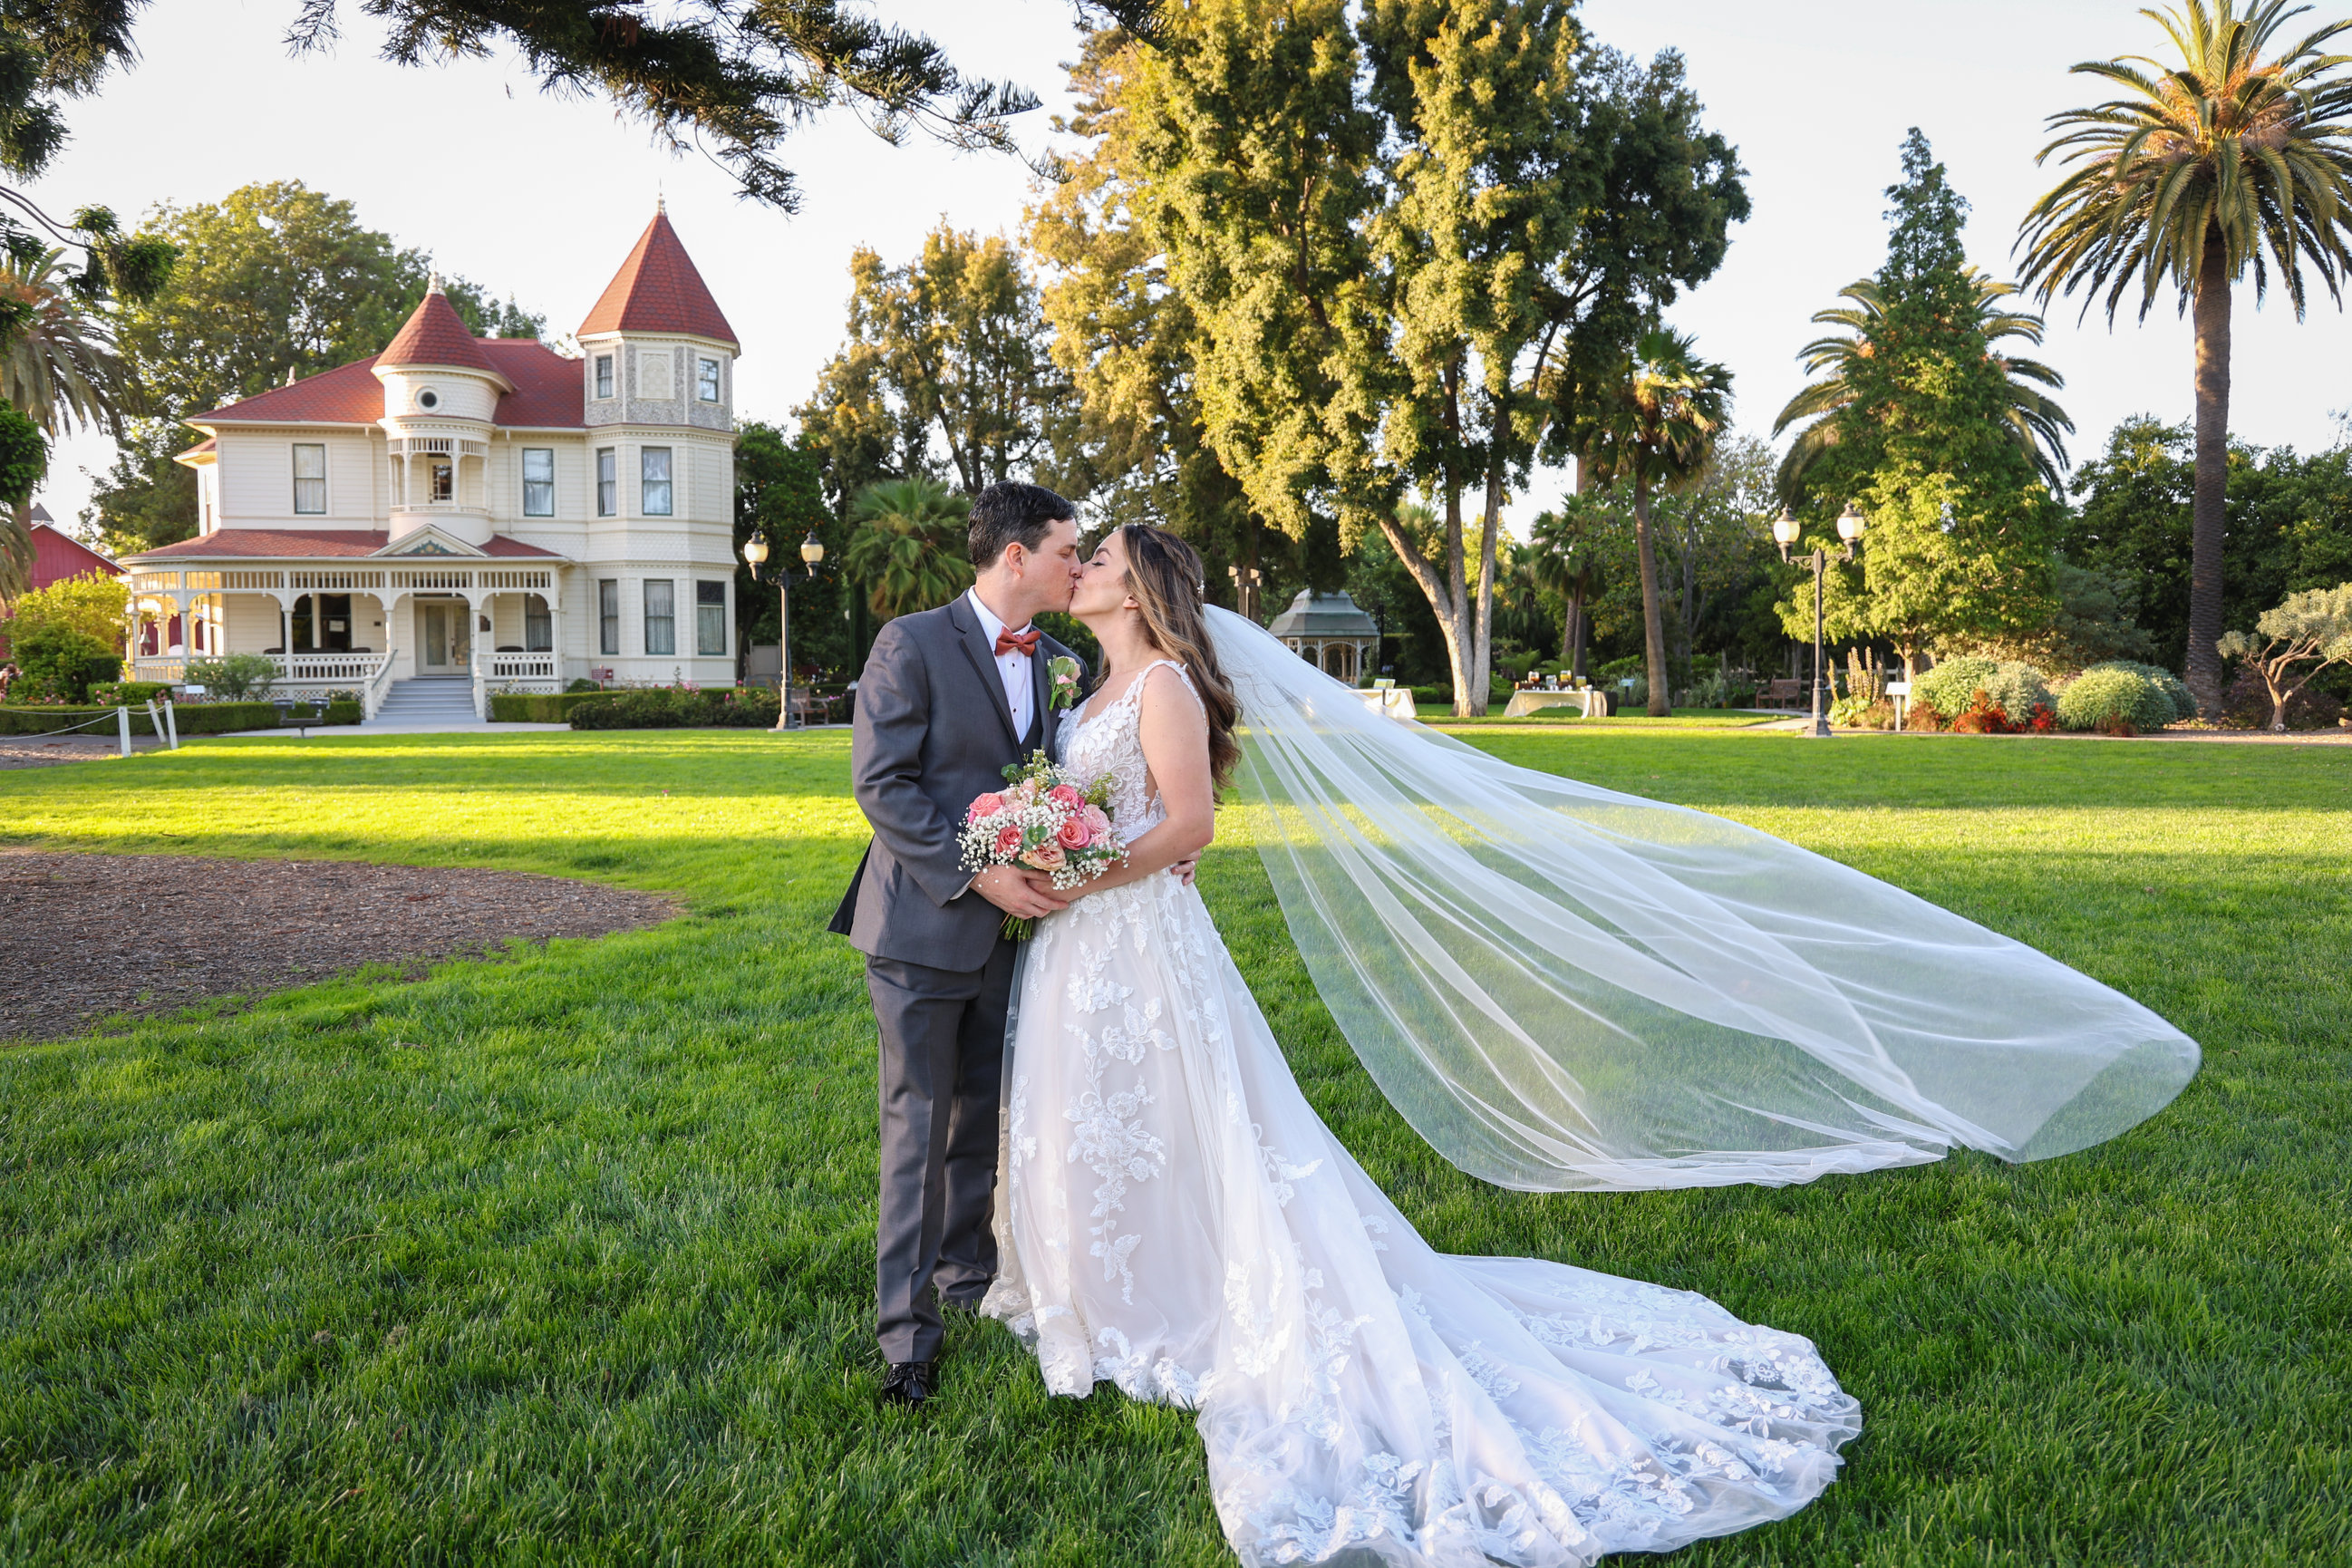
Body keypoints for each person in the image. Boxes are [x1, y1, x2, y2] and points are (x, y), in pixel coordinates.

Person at [828, 481, 1086, 1409]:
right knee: (918, 1125)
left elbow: (1067, 778)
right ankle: (907, 1339)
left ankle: (967, 1281)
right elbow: (884, 783)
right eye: (1066, 548)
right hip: (921, 927)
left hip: (1018, 935)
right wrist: (980, 873)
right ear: (1014, 555)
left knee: (982, 1117)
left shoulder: (1062, 660)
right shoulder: (911, 643)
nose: (1077, 564)